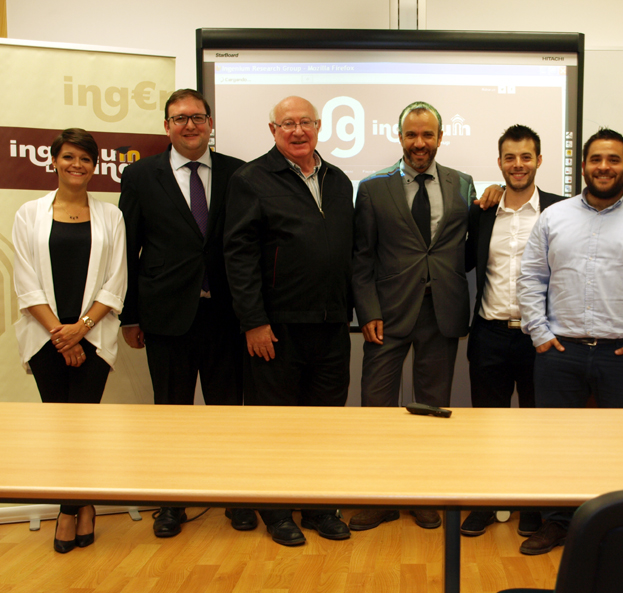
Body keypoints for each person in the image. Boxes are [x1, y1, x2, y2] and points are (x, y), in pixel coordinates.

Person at [516, 128, 623, 555]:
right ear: (582, 165)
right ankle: (558, 523)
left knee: (622, 450)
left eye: (614, 160)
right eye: (596, 160)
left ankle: (616, 531)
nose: (604, 167)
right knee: (556, 448)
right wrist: (540, 333)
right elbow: (531, 277)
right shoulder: (554, 217)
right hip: (559, 352)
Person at [118, 89, 252, 538]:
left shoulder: (239, 173)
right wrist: (129, 316)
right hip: (166, 316)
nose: (189, 126)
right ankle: (170, 504)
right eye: (180, 119)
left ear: (210, 123)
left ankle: (235, 500)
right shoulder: (140, 176)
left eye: (197, 117)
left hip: (226, 316)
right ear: (166, 127)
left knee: (229, 414)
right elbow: (128, 251)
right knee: (170, 413)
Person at [224, 96, 353, 546]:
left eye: (306, 123)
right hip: (276, 328)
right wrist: (253, 321)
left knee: (325, 424)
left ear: (319, 126)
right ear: (272, 129)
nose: (298, 131)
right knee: (274, 425)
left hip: (333, 325)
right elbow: (238, 256)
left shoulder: (338, 180)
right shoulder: (252, 179)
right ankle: (277, 512)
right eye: (288, 124)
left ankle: (319, 509)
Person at [350, 101, 475, 532]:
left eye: (427, 135)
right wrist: (366, 310)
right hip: (386, 314)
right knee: (377, 407)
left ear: (440, 137)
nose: (419, 144)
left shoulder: (464, 185)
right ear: (399, 137)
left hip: (441, 312)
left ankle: (424, 495)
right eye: (411, 135)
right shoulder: (371, 188)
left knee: (432, 408)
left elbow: (467, 244)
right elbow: (361, 257)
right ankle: (379, 498)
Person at [12, 128, 126, 554]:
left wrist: (81, 328)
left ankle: (69, 508)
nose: (77, 165)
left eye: (85, 159)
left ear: (95, 167)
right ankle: (77, 506)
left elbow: (116, 282)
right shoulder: (29, 213)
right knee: (60, 428)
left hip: (94, 338)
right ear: (54, 161)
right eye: (69, 157)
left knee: (85, 426)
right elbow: (25, 281)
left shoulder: (111, 216)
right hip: (44, 339)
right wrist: (62, 336)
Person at [461, 124, 563, 538]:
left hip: (541, 337)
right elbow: (465, 263)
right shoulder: (482, 211)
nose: (517, 165)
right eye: (509, 157)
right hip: (490, 333)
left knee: (539, 428)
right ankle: (486, 502)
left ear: (539, 160)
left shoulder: (562, 209)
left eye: (525, 157)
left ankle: (534, 508)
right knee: (488, 426)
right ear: (499, 162)